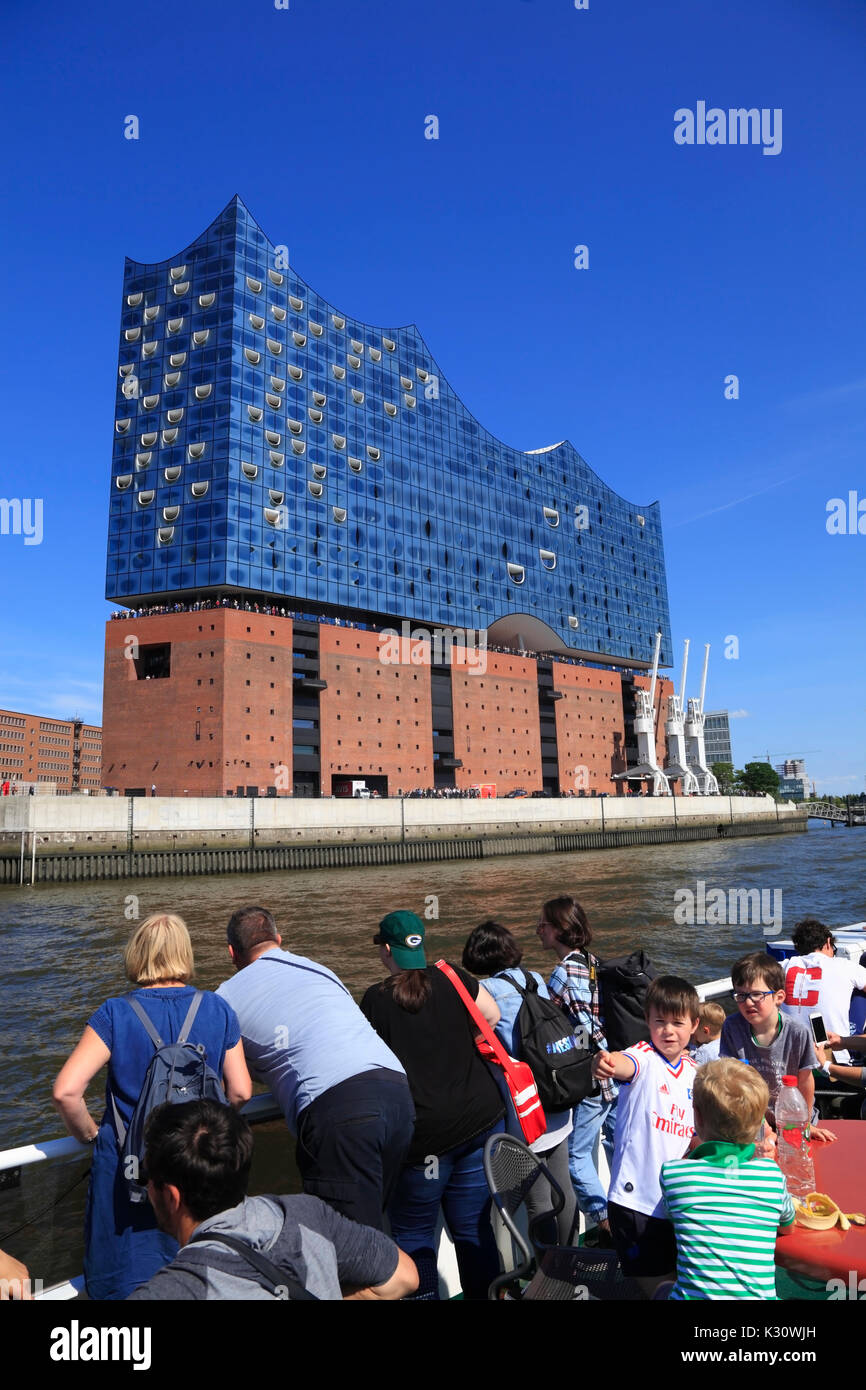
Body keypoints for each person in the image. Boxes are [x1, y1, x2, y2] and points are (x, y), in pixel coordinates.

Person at [52, 913, 251, 1300]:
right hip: (196, 1164)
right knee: (198, 1273)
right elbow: (241, 1091)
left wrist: (92, 1134)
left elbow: (66, 1092)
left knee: (126, 1280)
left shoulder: (114, 1013)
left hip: (128, 1166)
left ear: (137, 954)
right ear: (185, 954)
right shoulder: (217, 1009)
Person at [216, 906, 414, 1231]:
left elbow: (234, 1080)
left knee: (347, 1248)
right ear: (279, 940)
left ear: (231, 953)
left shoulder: (224, 999)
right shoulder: (321, 970)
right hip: (395, 1093)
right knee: (376, 1230)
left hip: (339, 1109)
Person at [128, 1101, 418, 1301]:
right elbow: (404, 1276)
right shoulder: (306, 1213)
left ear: (171, 1195)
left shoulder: (175, 1289)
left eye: (148, 1177)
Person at [360, 911, 505, 1300]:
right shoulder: (453, 977)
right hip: (479, 1122)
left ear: (385, 951)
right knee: (474, 1229)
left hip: (423, 1140)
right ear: (421, 944)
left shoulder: (376, 999)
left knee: (414, 1237)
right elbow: (492, 1015)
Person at [462, 920, 577, 1244]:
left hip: (525, 1109)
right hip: (556, 1095)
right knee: (563, 1189)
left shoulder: (487, 992)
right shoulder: (533, 978)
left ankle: (548, 1279)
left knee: (537, 1199)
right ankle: (571, 1261)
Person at [592, 975, 700, 1297]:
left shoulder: (696, 1071)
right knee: (657, 1286)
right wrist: (607, 1062)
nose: (668, 1030)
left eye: (678, 1022)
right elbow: (623, 1064)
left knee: (675, 1278)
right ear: (647, 1022)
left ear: (694, 1024)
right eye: (659, 1021)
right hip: (636, 1203)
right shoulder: (643, 1056)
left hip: (678, 1201)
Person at [659, 1059, 794, 1300]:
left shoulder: (674, 1175)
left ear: (697, 1117)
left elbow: (674, 1217)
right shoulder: (771, 1177)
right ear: (758, 1126)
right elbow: (787, 1227)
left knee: (662, 1289)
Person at [538, 895, 617, 1243]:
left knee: (576, 1157)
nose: (538, 931)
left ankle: (607, 1226)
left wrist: (595, 1062)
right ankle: (636, 1217)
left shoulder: (564, 973)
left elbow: (585, 1027)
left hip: (594, 1080)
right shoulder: (593, 962)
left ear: (558, 930)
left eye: (543, 924)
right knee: (620, 1145)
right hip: (618, 1076)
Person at [719, 952, 836, 1142]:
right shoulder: (732, 1027)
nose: (748, 1002)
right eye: (741, 995)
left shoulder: (798, 1033)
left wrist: (804, 1124)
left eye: (757, 995)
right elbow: (732, 1081)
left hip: (794, 1117)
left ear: (779, 997)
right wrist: (762, 1129)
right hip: (752, 1118)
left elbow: (806, 1082)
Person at [781, 918, 866, 1062]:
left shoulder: (783, 966)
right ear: (827, 943)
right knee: (858, 992)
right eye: (834, 948)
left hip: (790, 1056)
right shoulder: (845, 966)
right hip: (835, 1056)